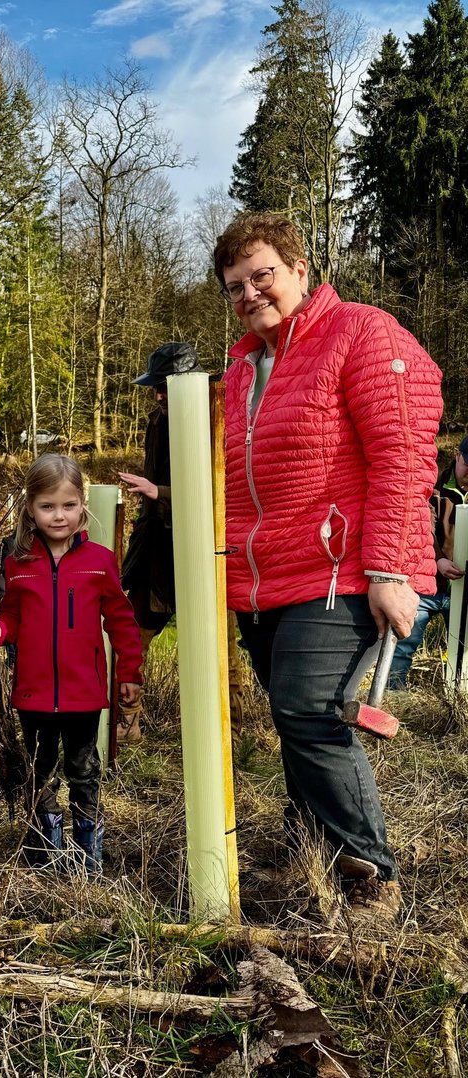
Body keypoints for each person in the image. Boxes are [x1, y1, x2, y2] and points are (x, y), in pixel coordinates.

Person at [214, 211, 442, 923]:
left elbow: (404, 452)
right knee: (298, 721)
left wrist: (392, 568)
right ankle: (309, 849)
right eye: (234, 286)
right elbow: (240, 472)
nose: (250, 293)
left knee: (310, 711)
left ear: (300, 270)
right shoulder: (240, 366)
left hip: (343, 568)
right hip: (264, 576)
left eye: (262, 276)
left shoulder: (362, 333)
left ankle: (369, 873)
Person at [0, 454, 143, 877]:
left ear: (82, 505)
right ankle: (45, 856)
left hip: (83, 693)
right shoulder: (18, 563)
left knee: (83, 770)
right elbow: (12, 614)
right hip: (32, 693)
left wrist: (129, 674)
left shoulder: (99, 562)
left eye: (68, 506)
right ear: (30, 509)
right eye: (47, 506)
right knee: (40, 770)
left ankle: (88, 858)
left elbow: (122, 621)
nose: (58, 515)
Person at [116, 341, 204, 741]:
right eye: (155, 387)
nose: (158, 395)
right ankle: (126, 724)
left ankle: (228, 741)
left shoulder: (215, 419)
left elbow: (219, 495)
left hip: (204, 557)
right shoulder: (156, 420)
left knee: (217, 654)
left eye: (166, 386)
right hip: (153, 555)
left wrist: (159, 493)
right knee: (129, 639)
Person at [387, 436, 467, 688]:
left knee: (463, 654)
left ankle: (457, 698)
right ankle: (393, 696)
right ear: (457, 455)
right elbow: (420, 528)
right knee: (403, 644)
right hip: (427, 585)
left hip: (463, 591)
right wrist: (438, 560)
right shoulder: (431, 487)